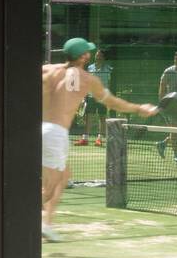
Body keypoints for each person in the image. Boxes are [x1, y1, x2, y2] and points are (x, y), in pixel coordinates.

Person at [43, 38, 158, 242]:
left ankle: (46, 223)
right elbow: (113, 102)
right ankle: (20, 218)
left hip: (39, 129)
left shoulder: (48, 70)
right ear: (83, 57)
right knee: (48, 189)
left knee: (63, 175)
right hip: (55, 134)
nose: (90, 54)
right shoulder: (88, 79)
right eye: (87, 52)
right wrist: (139, 108)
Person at [156, 49, 177, 164]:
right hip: (171, 104)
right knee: (175, 129)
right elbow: (162, 86)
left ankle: (163, 144)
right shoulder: (168, 71)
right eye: (176, 59)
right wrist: (161, 103)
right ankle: (176, 154)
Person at [76, 47, 113, 146]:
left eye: (100, 55)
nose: (98, 57)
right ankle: (85, 139)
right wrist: (84, 96)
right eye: (97, 55)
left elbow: (108, 84)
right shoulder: (90, 68)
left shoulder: (108, 69)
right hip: (91, 96)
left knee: (102, 117)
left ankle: (99, 139)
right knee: (88, 117)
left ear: (104, 57)